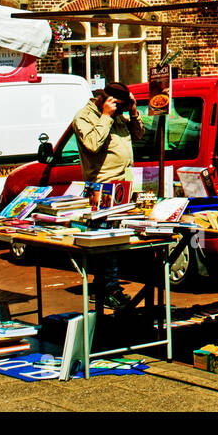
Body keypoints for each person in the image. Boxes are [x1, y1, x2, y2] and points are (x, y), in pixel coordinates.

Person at [73, 82, 145, 311]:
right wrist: (106, 116)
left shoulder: (120, 115)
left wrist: (134, 113)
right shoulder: (85, 117)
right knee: (107, 241)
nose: (121, 112)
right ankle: (110, 289)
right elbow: (92, 145)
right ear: (107, 101)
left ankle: (104, 287)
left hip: (123, 185)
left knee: (115, 243)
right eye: (120, 108)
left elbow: (139, 135)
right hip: (102, 187)